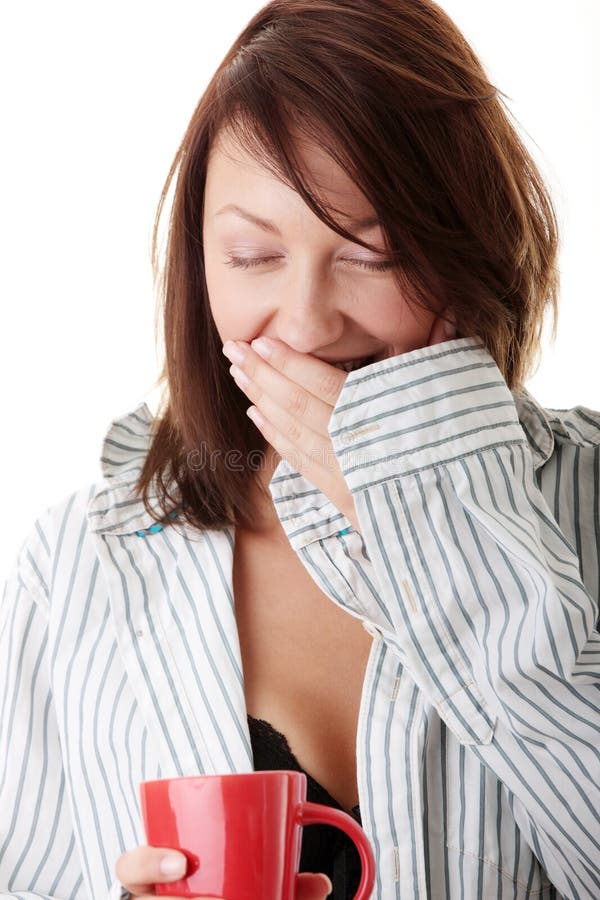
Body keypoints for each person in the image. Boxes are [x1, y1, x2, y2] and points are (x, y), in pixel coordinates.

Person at [1, 1, 599, 898]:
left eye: (372, 254)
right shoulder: (80, 564)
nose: (311, 324)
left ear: (468, 255)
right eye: (252, 256)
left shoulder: (585, 497)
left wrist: (427, 511)